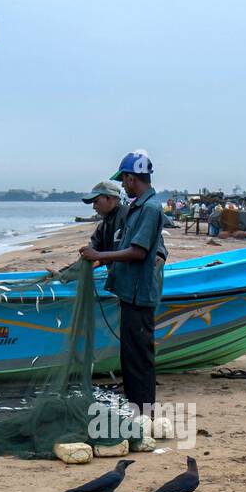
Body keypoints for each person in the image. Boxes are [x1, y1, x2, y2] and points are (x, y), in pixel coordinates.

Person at [79, 150, 167, 417]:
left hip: (140, 295)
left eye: (125, 179)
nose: (124, 184)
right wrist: (97, 259)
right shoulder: (139, 207)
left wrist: (99, 256)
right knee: (130, 357)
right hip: (130, 292)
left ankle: (144, 414)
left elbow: (138, 252)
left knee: (139, 358)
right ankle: (137, 411)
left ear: (130, 178)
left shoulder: (149, 208)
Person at [82, 178, 129, 289]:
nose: (94, 207)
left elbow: (135, 252)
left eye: (96, 201)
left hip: (131, 283)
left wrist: (100, 259)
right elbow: (93, 250)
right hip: (116, 279)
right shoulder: (103, 226)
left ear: (109, 198)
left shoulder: (129, 216)